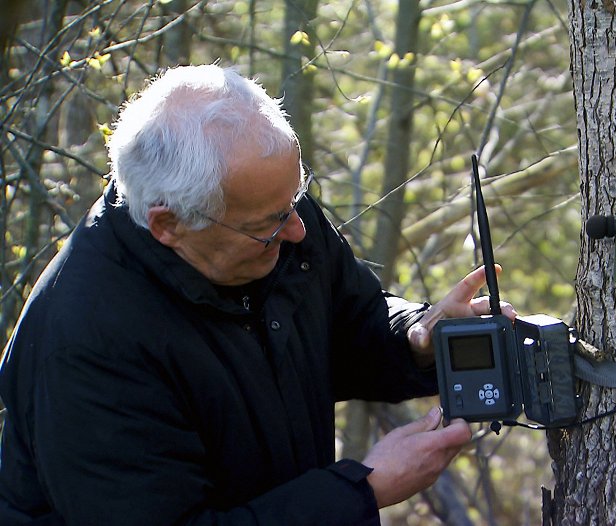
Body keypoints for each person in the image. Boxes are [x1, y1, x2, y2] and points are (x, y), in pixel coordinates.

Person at [0, 64, 512, 525]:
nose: (296, 230)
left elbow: (348, 324)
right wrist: (361, 490)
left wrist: (416, 336)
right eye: (269, 223)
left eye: (295, 199)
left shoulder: (267, 213)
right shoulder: (86, 345)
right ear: (168, 224)